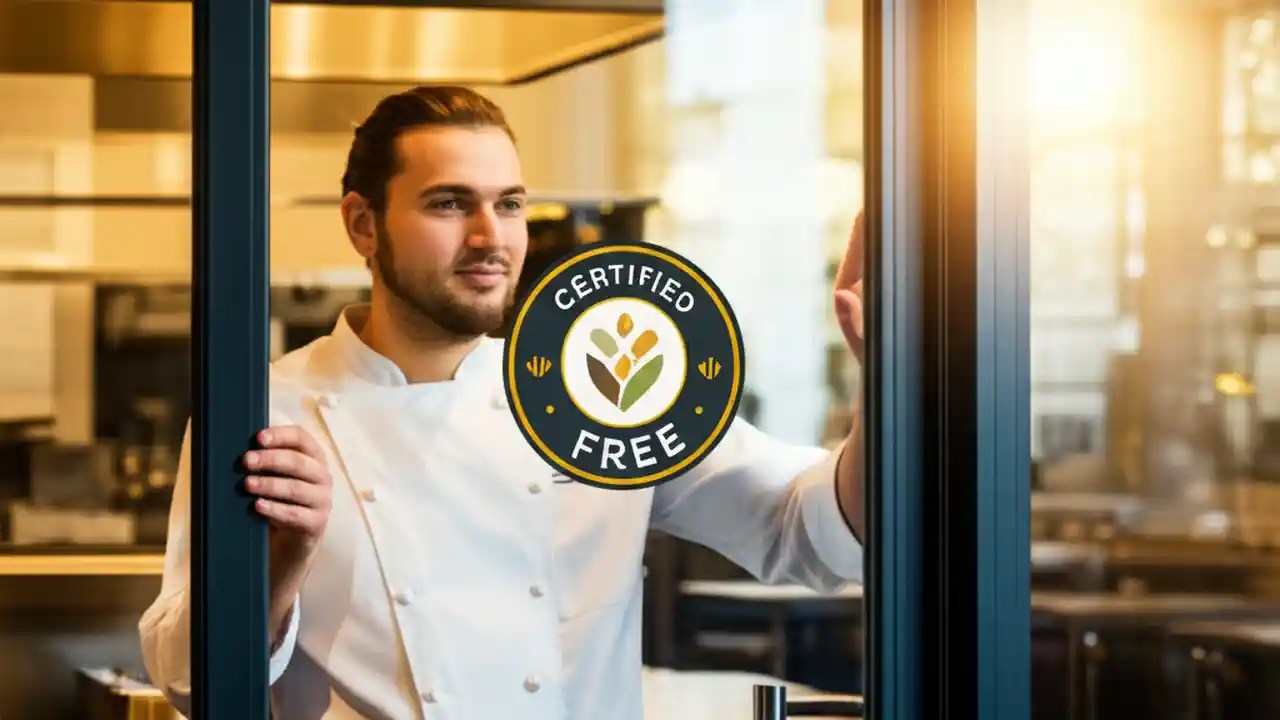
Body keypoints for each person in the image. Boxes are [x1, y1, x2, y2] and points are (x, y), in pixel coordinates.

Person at [139, 85, 867, 720]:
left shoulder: (594, 394)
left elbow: (811, 529)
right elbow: (187, 681)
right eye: (449, 203)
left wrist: (885, 391)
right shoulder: (269, 411)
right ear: (363, 224)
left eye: (510, 204)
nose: (491, 238)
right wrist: (277, 569)